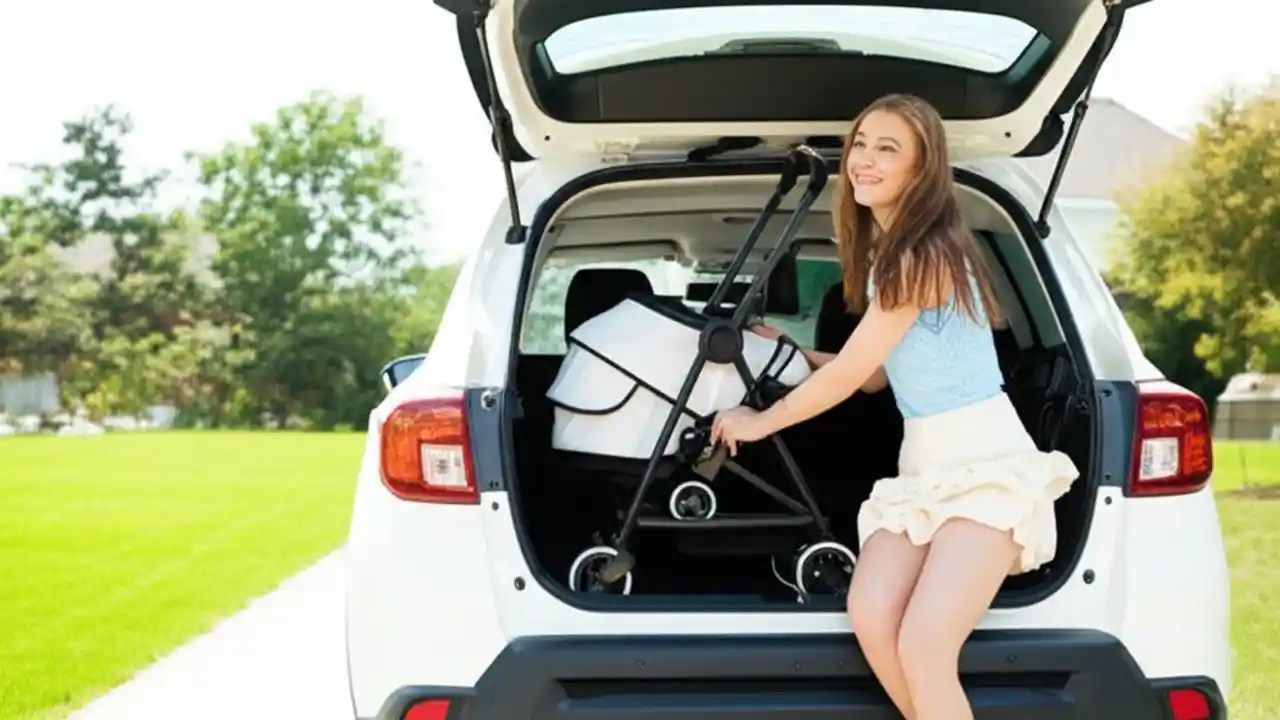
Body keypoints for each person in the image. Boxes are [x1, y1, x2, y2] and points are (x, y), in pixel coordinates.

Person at [710, 93, 1079, 720]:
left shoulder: (922, 253)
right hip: (923, 470)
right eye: (860, 144)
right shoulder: (892, 255)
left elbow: (852, 373)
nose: (865, 159)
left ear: (921, 168)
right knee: (873, 614)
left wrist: (759, 421)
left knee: (925, 646)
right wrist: (790, 351)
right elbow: (877, 376)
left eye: (887, 148)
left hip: (986, 466)